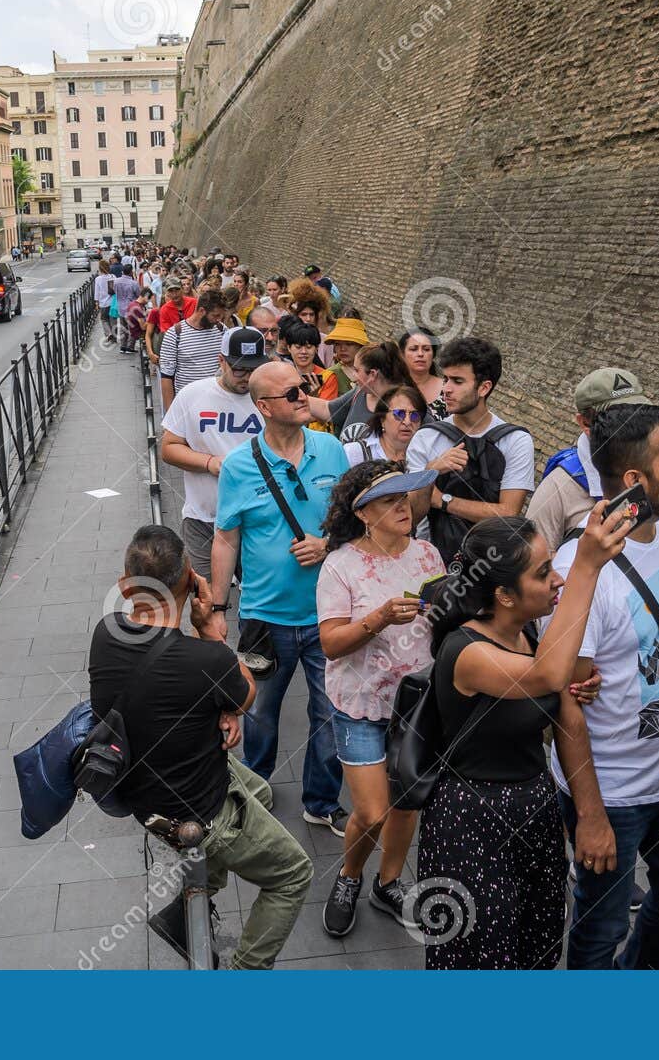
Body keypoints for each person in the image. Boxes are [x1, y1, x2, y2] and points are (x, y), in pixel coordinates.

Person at [550, 402, 659, 970]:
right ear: (635, 481)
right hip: (613, 792)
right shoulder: (584, 569)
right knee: (599, 927)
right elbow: (565, 704)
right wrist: (591, 815)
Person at [88, 525, 311, 970]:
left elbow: (184, 695)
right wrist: (210, 628)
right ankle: (247, 971)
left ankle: (195, 899)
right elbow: (246, 693)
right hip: (195, 808)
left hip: (138, 791)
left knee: (261, 793)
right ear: (191, 580)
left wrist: (217, 704)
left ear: (124, 586)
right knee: (294, 874)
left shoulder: (106, 631)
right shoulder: (204, 659)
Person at [418, 510, 631, 968]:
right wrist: (586, 567)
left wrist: (591, 816)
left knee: (535, 948)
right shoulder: (466, 652)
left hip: (533, 811)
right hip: (472, 822)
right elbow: (546, 675)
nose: (555, 579)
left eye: (555, 566)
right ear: (502, 594)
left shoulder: (528, 634)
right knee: (480, 960)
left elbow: (565, 713)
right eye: (542, 573)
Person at [210, 361, 349, 836]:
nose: (304, 395)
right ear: (264, 406)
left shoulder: (332, 450)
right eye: (292, 393)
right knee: (261, 713)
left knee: (330, 713)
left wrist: (327, 544)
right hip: (264, 620)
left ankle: (322, 800)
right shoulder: (238, 466)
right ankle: (257, 789)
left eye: (305, 387)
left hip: (330, 615)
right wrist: (215, 607)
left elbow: (352, 523)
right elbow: (226, 539)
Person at [316, 461, 443, 935]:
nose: (402, 507)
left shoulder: (429, 555)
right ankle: (350, 875)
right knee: (371, 812)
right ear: (364, 513)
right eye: (389, 500)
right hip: (361, 704)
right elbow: (330, 643)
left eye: (404, 497)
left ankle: (388, 883)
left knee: (407, 802)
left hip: (416, 704)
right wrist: (380, 618)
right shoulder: (340, 565)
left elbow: (440, 623)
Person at [528, 367, 659, 561]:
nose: (632, 423)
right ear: (584, 423)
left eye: (638, 412)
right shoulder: (558, 488)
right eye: (616, 416)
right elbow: (529, 567)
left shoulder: (658, 475)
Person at [404, 337, 534, 560]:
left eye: (457, 381)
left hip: (493, 563)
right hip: (432, 561)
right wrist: (429, 473)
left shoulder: (515, 440)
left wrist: (442, 500)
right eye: (445, 379)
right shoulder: (426, 438)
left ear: (484, 387)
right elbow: (411, 517)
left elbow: (508, 514)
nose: (446, 389)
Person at [161, 328, 271, 581]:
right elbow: (169, 447)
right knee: (205, 597)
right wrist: (210, 463)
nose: (247, 377)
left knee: (257, 599)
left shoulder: (270, 397)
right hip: (204, 519)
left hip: (258, 520)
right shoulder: (192, 395)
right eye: (239, 369)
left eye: (254, 369)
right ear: (221, 360)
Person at [158, 287, 232, 411]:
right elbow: (166, 377)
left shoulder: (221, 329)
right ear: (202, 310)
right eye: (215, 315)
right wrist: (170, 413)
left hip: (217, 402)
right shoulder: (175, 334)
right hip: (187, 404)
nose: (218, 319)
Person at [328, 341, 407, 441]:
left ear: (372, 374)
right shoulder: (359, 393)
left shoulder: (409, 405)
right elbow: (327, 409)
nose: (353, 376)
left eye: (357, 370)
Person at [344, 384, 426, 467]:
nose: (407, 422)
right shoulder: (353, 453)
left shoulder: (425, 455)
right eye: (399, 414)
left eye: (415, 415)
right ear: (382, 419)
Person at [318, 316, 368, 405]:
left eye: (349, 344)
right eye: (337, 344)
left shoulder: (373, 372)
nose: (342, 349)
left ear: (361, 346)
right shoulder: (330, 375)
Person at [398, 329, 447, 420]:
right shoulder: (392, 386)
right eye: (413, 349)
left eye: (426, 349)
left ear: (433, 355)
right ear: (402, 355)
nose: (420, 354)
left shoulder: (447, 389)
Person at [282, 319, 326, 416]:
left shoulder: (327, 377)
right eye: (298, 347)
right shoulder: (282, 376)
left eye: (309, 347)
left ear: (317, 348)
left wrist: (312, 399)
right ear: (289, 348)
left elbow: (326, 414)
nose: (303, 352)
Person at [112, 262, 141, 353]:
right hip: (130, 308)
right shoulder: (133, 283)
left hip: (120, 306)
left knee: (123, 327)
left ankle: (123, 346)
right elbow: (138, 295)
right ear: (131, 272)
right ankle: (130, 347)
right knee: (132, 328)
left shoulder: (116, 281)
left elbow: (115, 291)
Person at [93, 259, 115, 342]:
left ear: (100, 268)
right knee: (112, 320)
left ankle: (109, 333)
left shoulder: (98, 279)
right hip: (112, 302)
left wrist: (96, 302)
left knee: (104, 319)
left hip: (103, 303)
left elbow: (97, 292)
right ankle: (114, 335)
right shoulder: (113, 277)